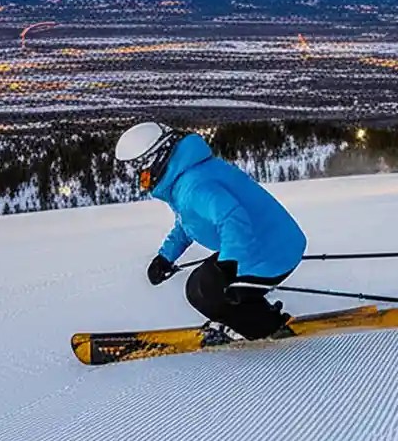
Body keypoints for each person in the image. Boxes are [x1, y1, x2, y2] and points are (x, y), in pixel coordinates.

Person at [115, 121, 307, 342]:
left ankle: (266, 327)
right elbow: (190, 222)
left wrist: (229, 267)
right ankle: (246, 313)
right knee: (201, 284)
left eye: (144, 173)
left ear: (157, 159)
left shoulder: (194, 186)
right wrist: (166, 257)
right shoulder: (188, 178)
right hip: (267, 243)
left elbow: (233, 219)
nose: (143, 179)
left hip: (271, 251)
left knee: (206, 291)